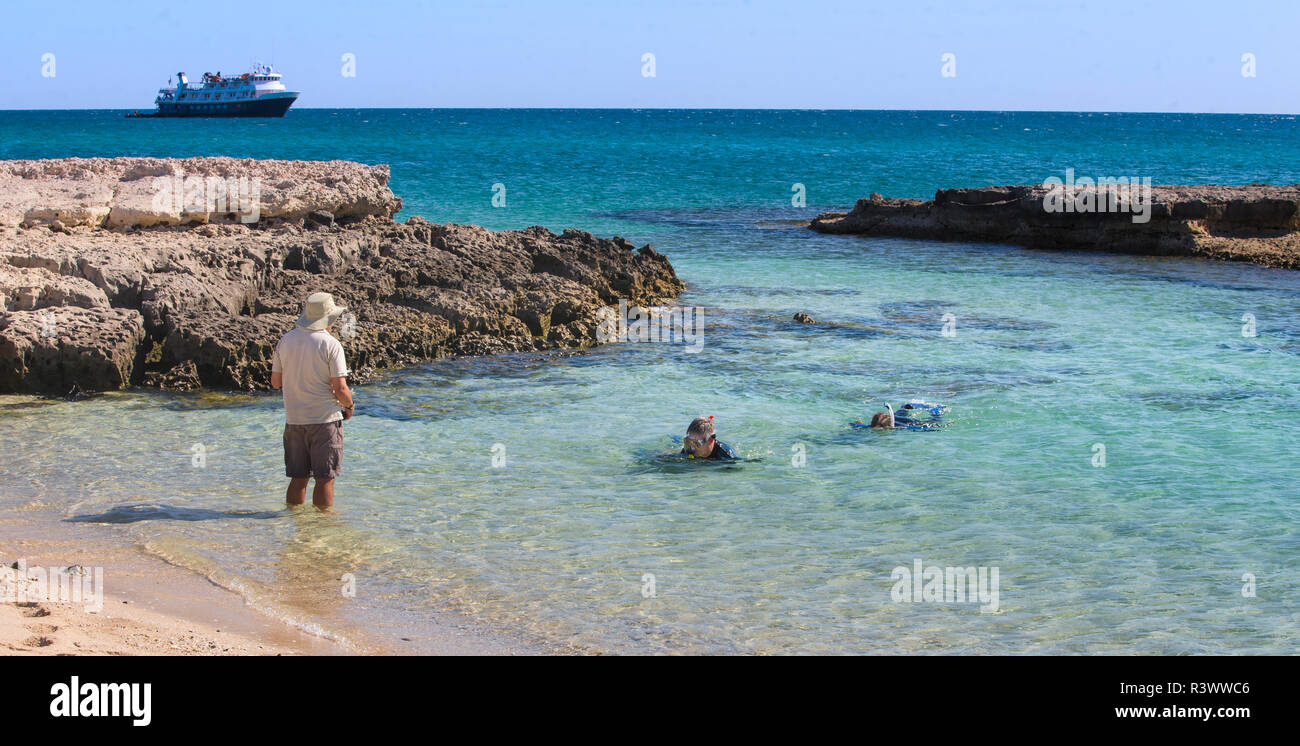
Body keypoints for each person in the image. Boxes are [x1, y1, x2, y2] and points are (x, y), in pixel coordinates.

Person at [270, 292, 354, 509]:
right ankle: (323, 529)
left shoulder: (285, 340)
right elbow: (340, 388)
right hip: (324, 420)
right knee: (325, 479)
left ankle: (294, 522)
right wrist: (349, 406)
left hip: (294, 421)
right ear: (330, 319)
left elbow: (276, 382)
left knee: (298, 478)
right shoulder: (331, 344)